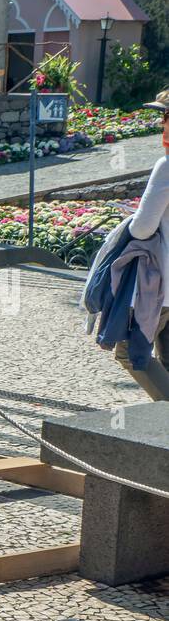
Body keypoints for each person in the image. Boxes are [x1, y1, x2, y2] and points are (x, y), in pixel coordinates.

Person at [116, 89, 169, 401]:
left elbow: (143, 227)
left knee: (130, 352)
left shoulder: (166, 166)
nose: (162, 124)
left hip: (161, 286)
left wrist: (130, 221)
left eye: (166, 117)